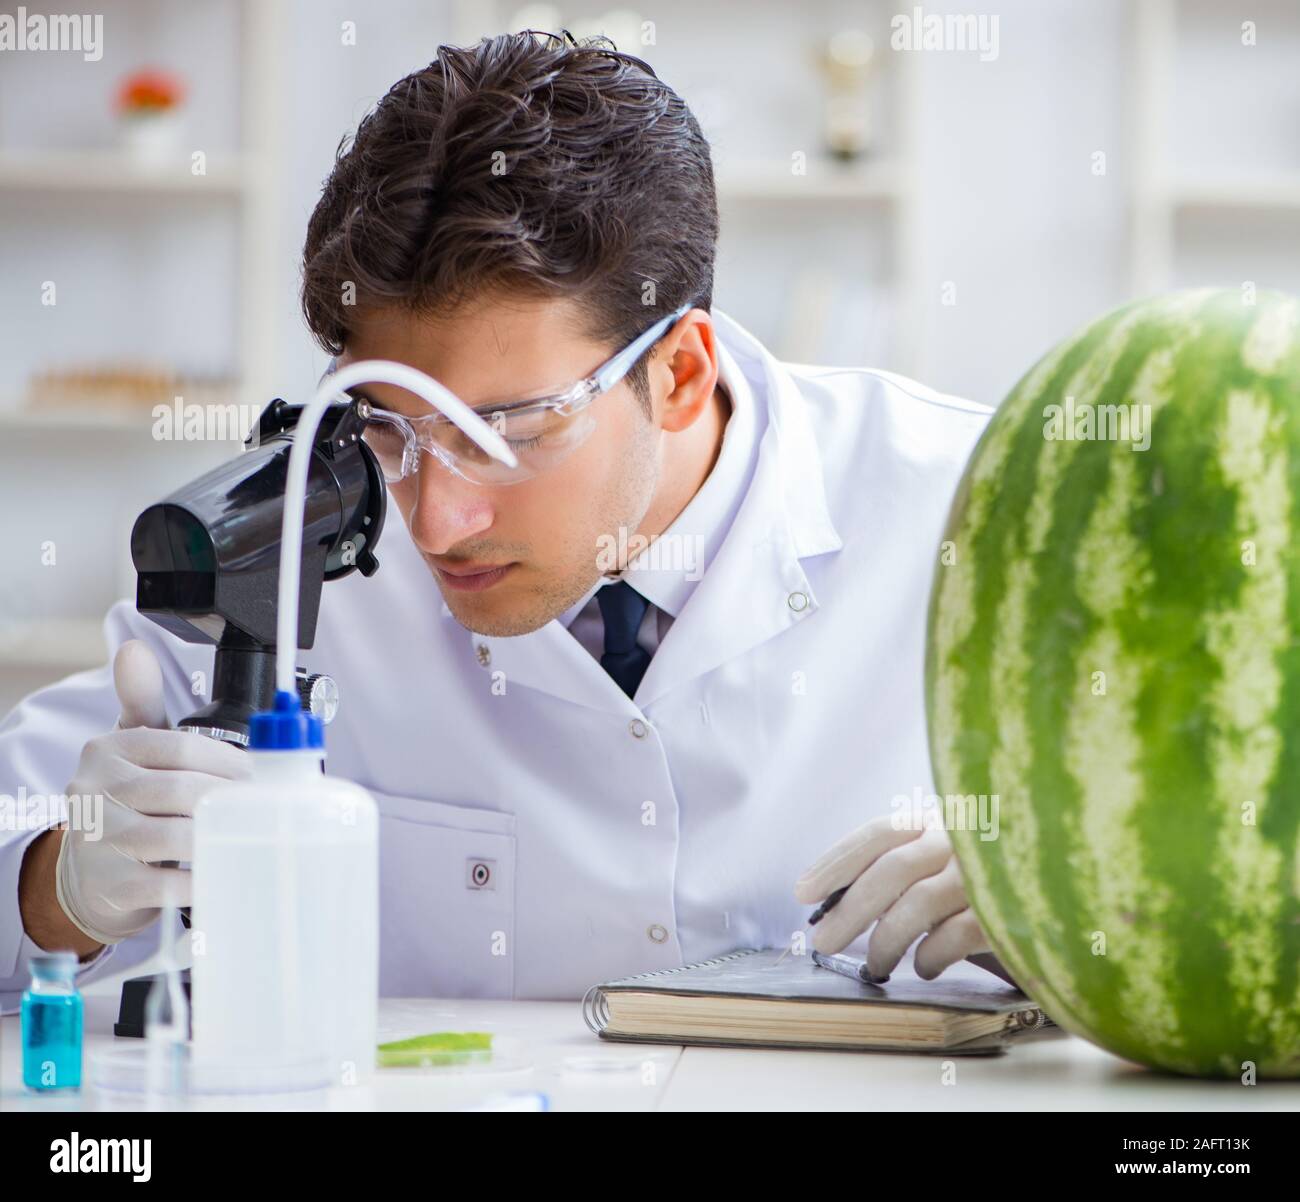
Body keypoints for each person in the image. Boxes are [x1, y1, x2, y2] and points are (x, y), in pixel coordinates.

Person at [2, 31, 998, 1009]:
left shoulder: (976, 509)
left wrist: (1073, 913)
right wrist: (60, 885)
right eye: (390, 424)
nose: (437, 518)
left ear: (680, 373)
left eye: (510, 428)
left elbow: (1154, 913)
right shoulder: (299, 543)